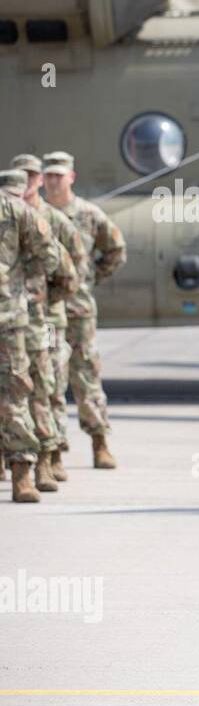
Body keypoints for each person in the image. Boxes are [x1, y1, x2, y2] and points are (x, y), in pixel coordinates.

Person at [40, 151, 126, 470]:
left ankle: (99, 442)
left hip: (78, 312)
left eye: (59, 176)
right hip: (46, 312)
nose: (53, 181)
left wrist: (89, 281)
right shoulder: (36, 215)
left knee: (86, 374)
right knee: (49, 378)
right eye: (48, 175)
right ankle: (55, 451)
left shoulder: (89, 214)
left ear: (71, 178)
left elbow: (116, 249)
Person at [12, 155, 79, 491]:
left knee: (47, 383)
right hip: (11, 322)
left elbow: (70, 267)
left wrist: (51, 300)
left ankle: (49, 457)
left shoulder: (48, 220)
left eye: (31, 176)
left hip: (44, 322)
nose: (26, 182)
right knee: (13, 389)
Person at [1, 168, 64, 503]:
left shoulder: (15, 210)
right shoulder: (21, 210)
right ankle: (23, 475)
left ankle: (24, 473)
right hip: (11, 314)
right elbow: (48, 257)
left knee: (16, 391)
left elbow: (52, 256)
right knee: (16, 392)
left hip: (10, 318)